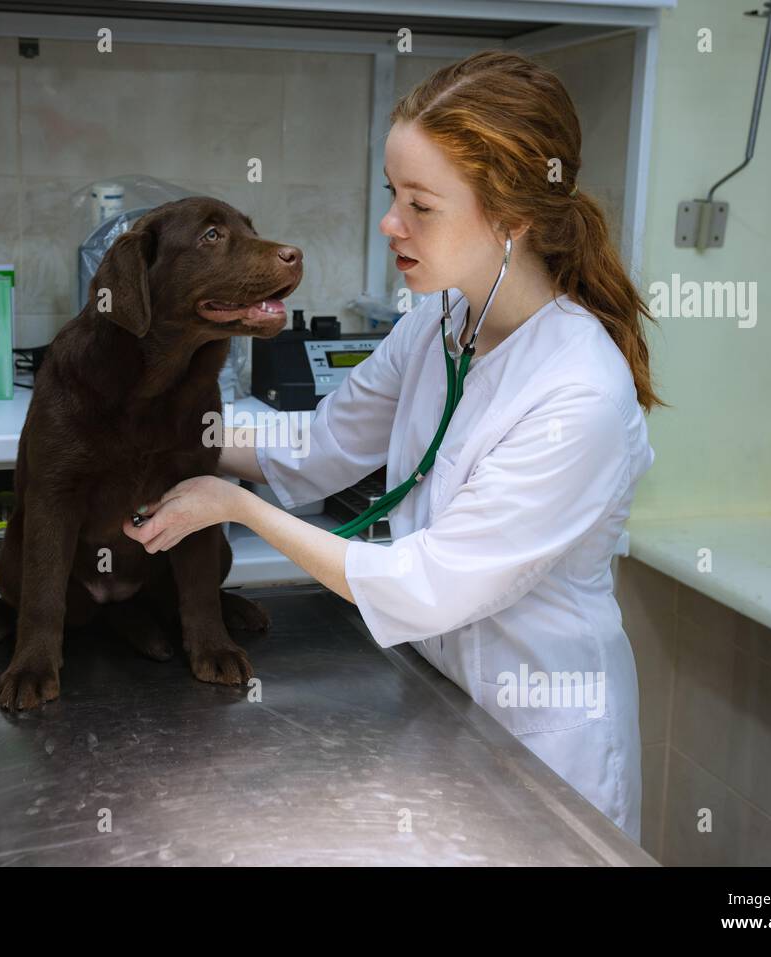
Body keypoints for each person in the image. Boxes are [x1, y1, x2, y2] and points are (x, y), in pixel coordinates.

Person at [122, 50, 664, 843]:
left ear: (512, 220)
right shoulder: (442, 320)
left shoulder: (578, 393)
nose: (390, 223)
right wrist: (176, 428)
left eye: (422, 205)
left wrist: (233, 506)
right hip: (448, 705)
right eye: (391, 194)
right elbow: (322, 444)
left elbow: (429, 583)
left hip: (544, 739)